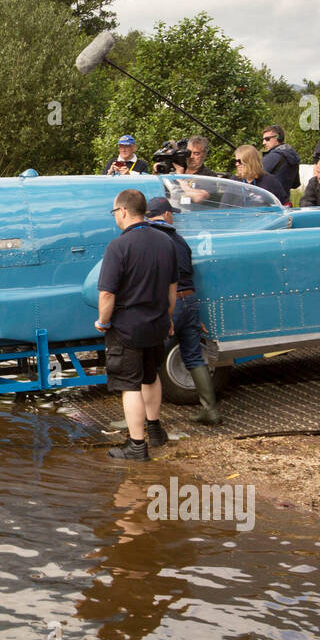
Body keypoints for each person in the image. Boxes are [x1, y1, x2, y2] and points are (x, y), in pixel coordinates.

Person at [96, 190, 179, 460]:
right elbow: (172, 288)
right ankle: (155, 431)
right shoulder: (166, 242)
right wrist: (167, 318)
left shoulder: (118, 247)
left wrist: (103, 321)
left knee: (129, 385)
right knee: (150, 377)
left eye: (114, 212)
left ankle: (136, 445)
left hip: (127, 328)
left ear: (122, 211)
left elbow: (107, 294)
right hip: (156, 324)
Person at [145, 196, 221, 424]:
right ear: (167, 214)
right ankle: (211, 410)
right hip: (190, 301)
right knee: (194, 356)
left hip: (170, 303)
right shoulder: (179, 239)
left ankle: (137, 418)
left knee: (146, 358)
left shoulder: (151, 240)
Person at [261, 126, 301, 192]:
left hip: (269, 198)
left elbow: (254, 176)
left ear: (278, 138)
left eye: (267, 139)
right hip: (284, 199)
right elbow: (295, 184)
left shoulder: (273, 156)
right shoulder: (293, 155)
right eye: (263, 140)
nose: (264, 143)